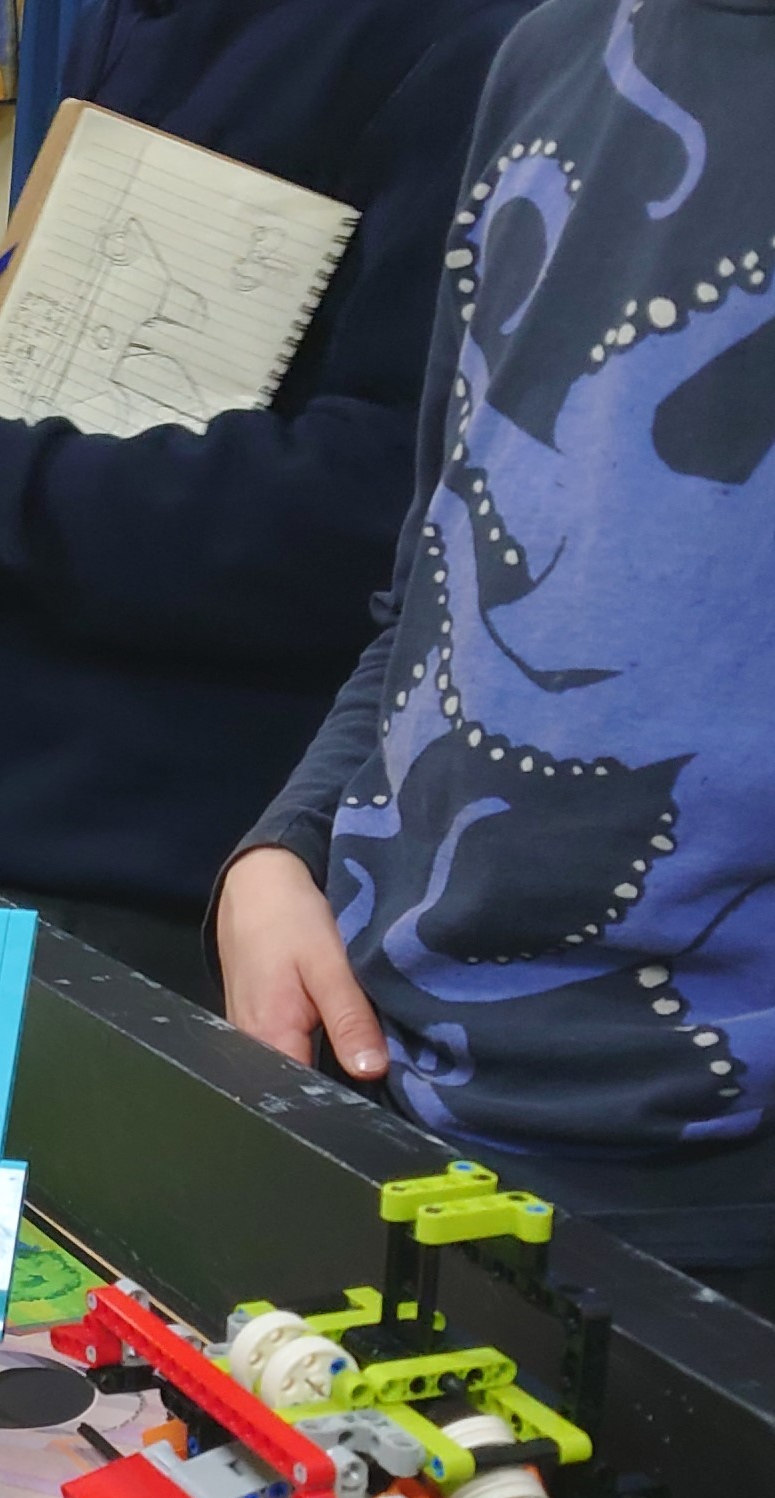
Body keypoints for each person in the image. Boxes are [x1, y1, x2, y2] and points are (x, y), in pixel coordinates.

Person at [216, 0, 774, 1306]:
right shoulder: (550, 51)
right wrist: (285, 849)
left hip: (718, 1187)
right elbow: (438, 564)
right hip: (395, 1091)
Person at [0, 0, 531, 1007]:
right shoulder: (141, 21)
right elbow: (82, 399)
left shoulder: (468, 45)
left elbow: (383, 501)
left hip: (188, 872)